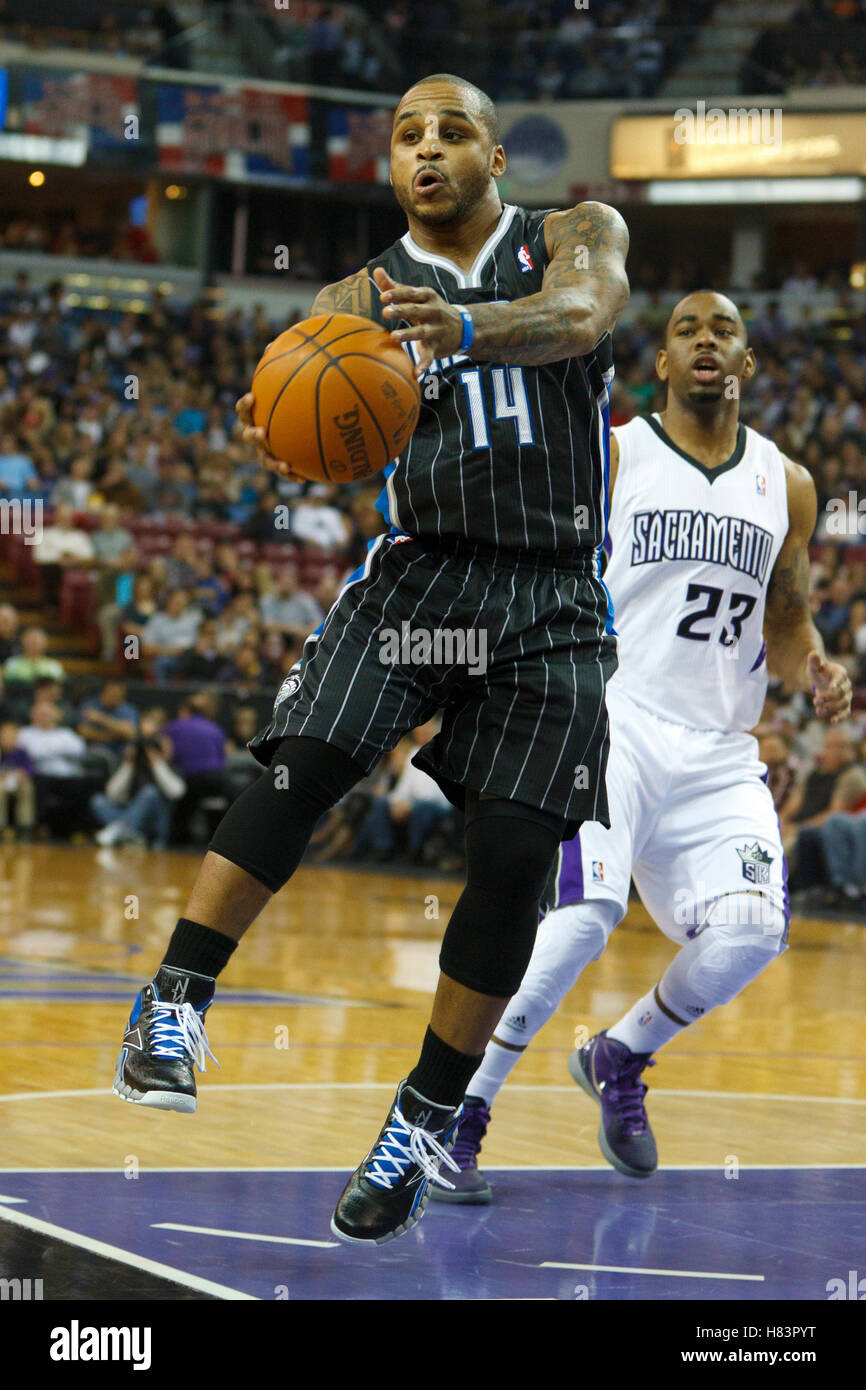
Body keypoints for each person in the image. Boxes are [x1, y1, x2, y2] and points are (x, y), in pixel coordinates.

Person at [112, 72, 628, 1247]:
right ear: (390, 166)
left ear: (497, 155)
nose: (428, 150)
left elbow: (584, 316)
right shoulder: (349, 299)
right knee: (308, 759)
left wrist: (470, 329)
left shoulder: (571, 236)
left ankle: (422, 1117)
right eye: (406, 137)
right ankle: (174, 1001)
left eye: (452, 131)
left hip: (549, 595)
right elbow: (316, 432)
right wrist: (286, 440)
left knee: (511, 857)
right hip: (424, 575)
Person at [431, 290, 854, 1204]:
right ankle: (457, 1114)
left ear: (745, 363)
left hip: (720, 748)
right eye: (686, 330)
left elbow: (786, 614)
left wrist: (816, 664)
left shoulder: (786, 484)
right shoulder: (613, 452)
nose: (707, 341)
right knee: (583, 917)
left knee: (754, 931)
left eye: (725, 331)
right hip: (610, 719)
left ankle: (618, 1054)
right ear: (660, 363)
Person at [91, 711, 186, 849]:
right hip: (132, 814)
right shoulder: (133, 765)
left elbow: (177, 792)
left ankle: (119, 831)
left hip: (156, 823)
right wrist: (128, 764)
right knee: (98, 800)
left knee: (150, 792)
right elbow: (112, 794)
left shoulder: (171, 767)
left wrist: (157, 762)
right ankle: (128, 833)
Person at [0, 720, 36, 840]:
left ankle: (25, 827)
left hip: (18, 782)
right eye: (5, 736)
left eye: (11, 736)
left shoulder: (21, 751)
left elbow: (31, 769)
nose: (8, 739)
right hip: (2, 782)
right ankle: (1, 827)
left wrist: (23, 774)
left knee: (27, 789)